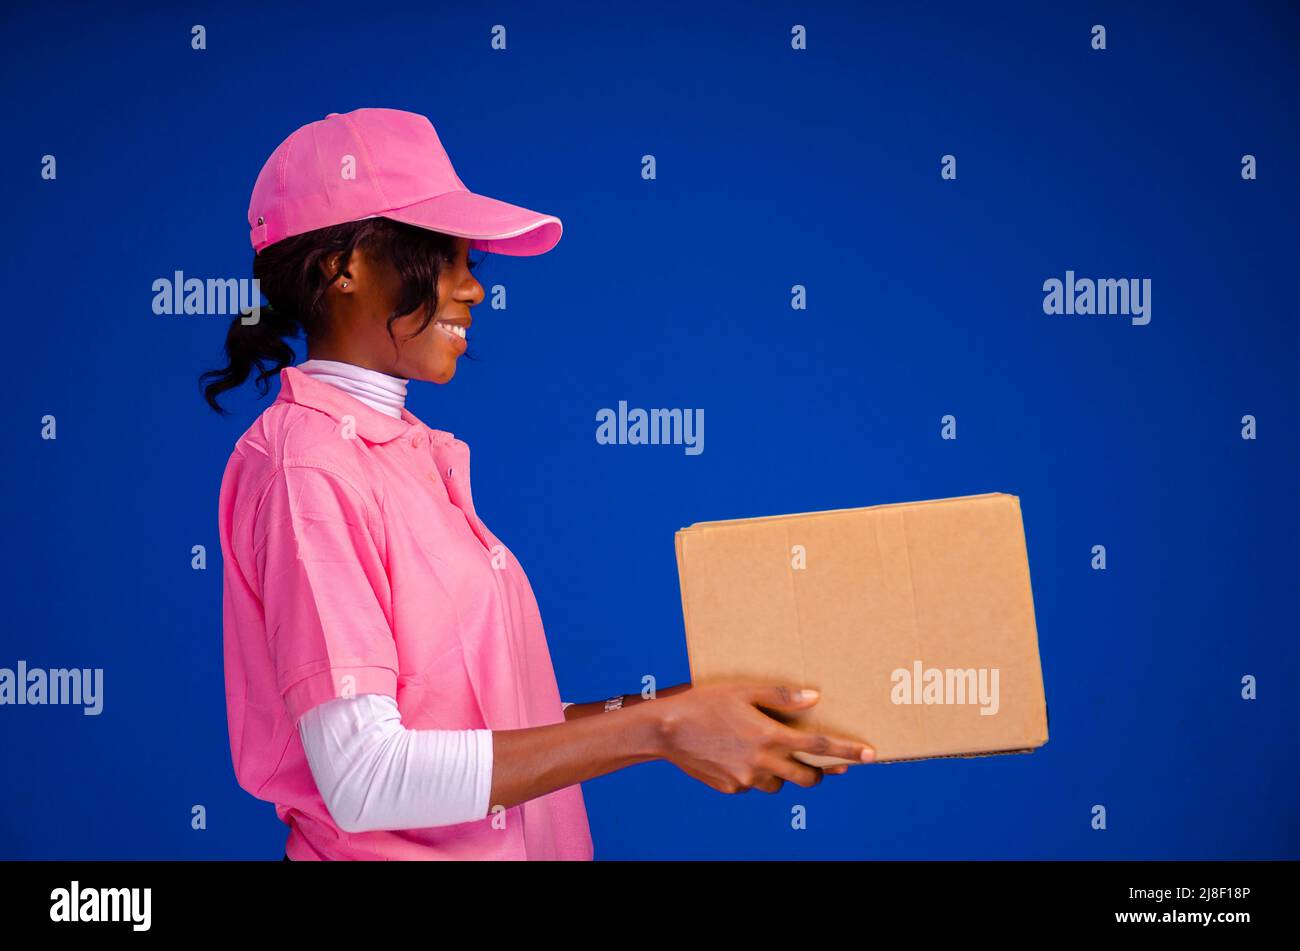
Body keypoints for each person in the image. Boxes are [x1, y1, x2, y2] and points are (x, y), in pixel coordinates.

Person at [201, 108, 874, 861]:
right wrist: (655, 731)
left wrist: (672, 708)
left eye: (469, 261)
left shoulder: (400, 453)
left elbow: (471, 727)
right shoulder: (308, 465)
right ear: (342, 267)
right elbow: (365, 776)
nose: (473, 289)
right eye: (441, 256)